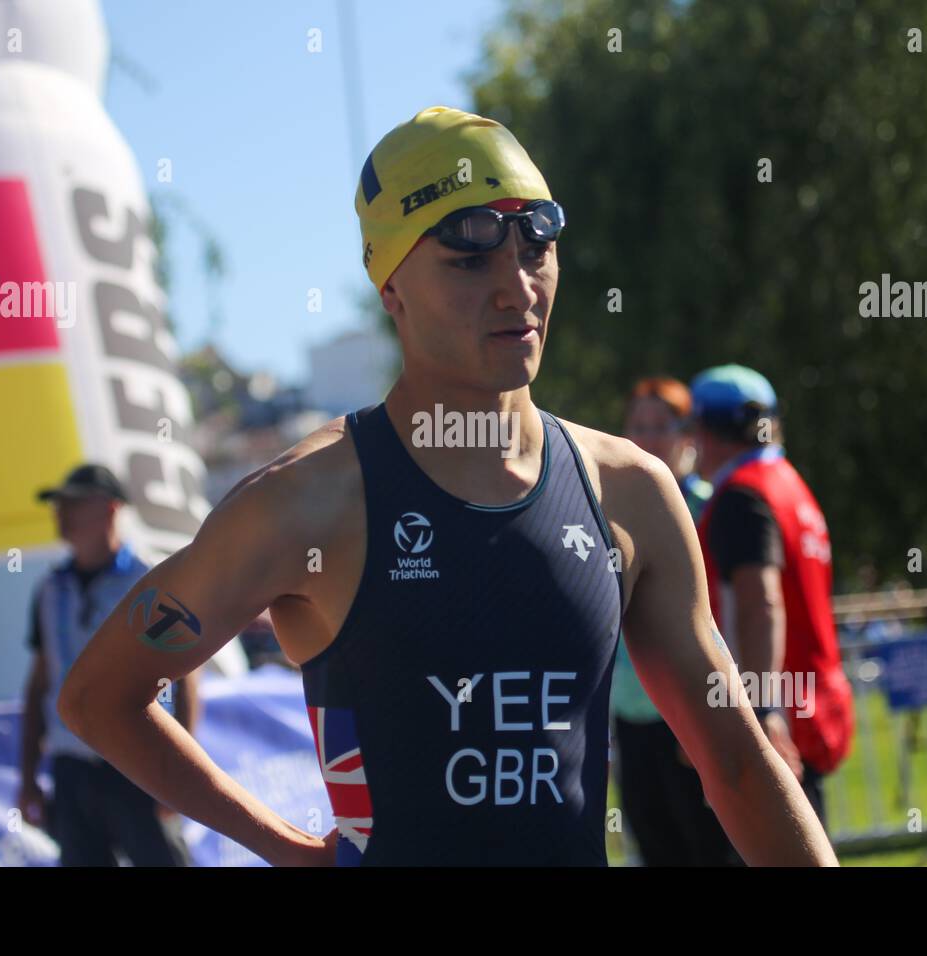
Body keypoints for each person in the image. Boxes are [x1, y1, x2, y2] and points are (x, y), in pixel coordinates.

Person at [58, 107, 837, 867]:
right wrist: (288, 850)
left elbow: (734, 762)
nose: (517, 288)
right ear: (390, 286)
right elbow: (100, 698)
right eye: (470, 259)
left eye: (536, 246)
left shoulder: (629, 490)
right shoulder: (308, 504)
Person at [689, 365, 856, 863]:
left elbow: (761, 604)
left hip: (775, 721)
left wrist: (760, 710)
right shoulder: (791, 485)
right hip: (813, 705)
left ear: (704, 432)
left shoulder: (742, 496)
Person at [18, 463, 197, 866]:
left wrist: (181, 776)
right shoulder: (49, 589)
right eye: (59, 503)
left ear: (111, 509)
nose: (61, 513)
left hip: (141, 762)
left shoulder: (150, 578)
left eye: (74, 503)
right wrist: (28, 778)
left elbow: (185, 679)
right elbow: (38, 685)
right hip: (72, 770)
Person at [612, 376, 726, 864]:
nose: (648, 437)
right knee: (654, 844)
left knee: (708, 844)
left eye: (661, 425)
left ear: (688, 434)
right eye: (638, 425)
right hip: (629, 709)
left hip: (692, 707)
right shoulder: (608, 514)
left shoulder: (713, 508)